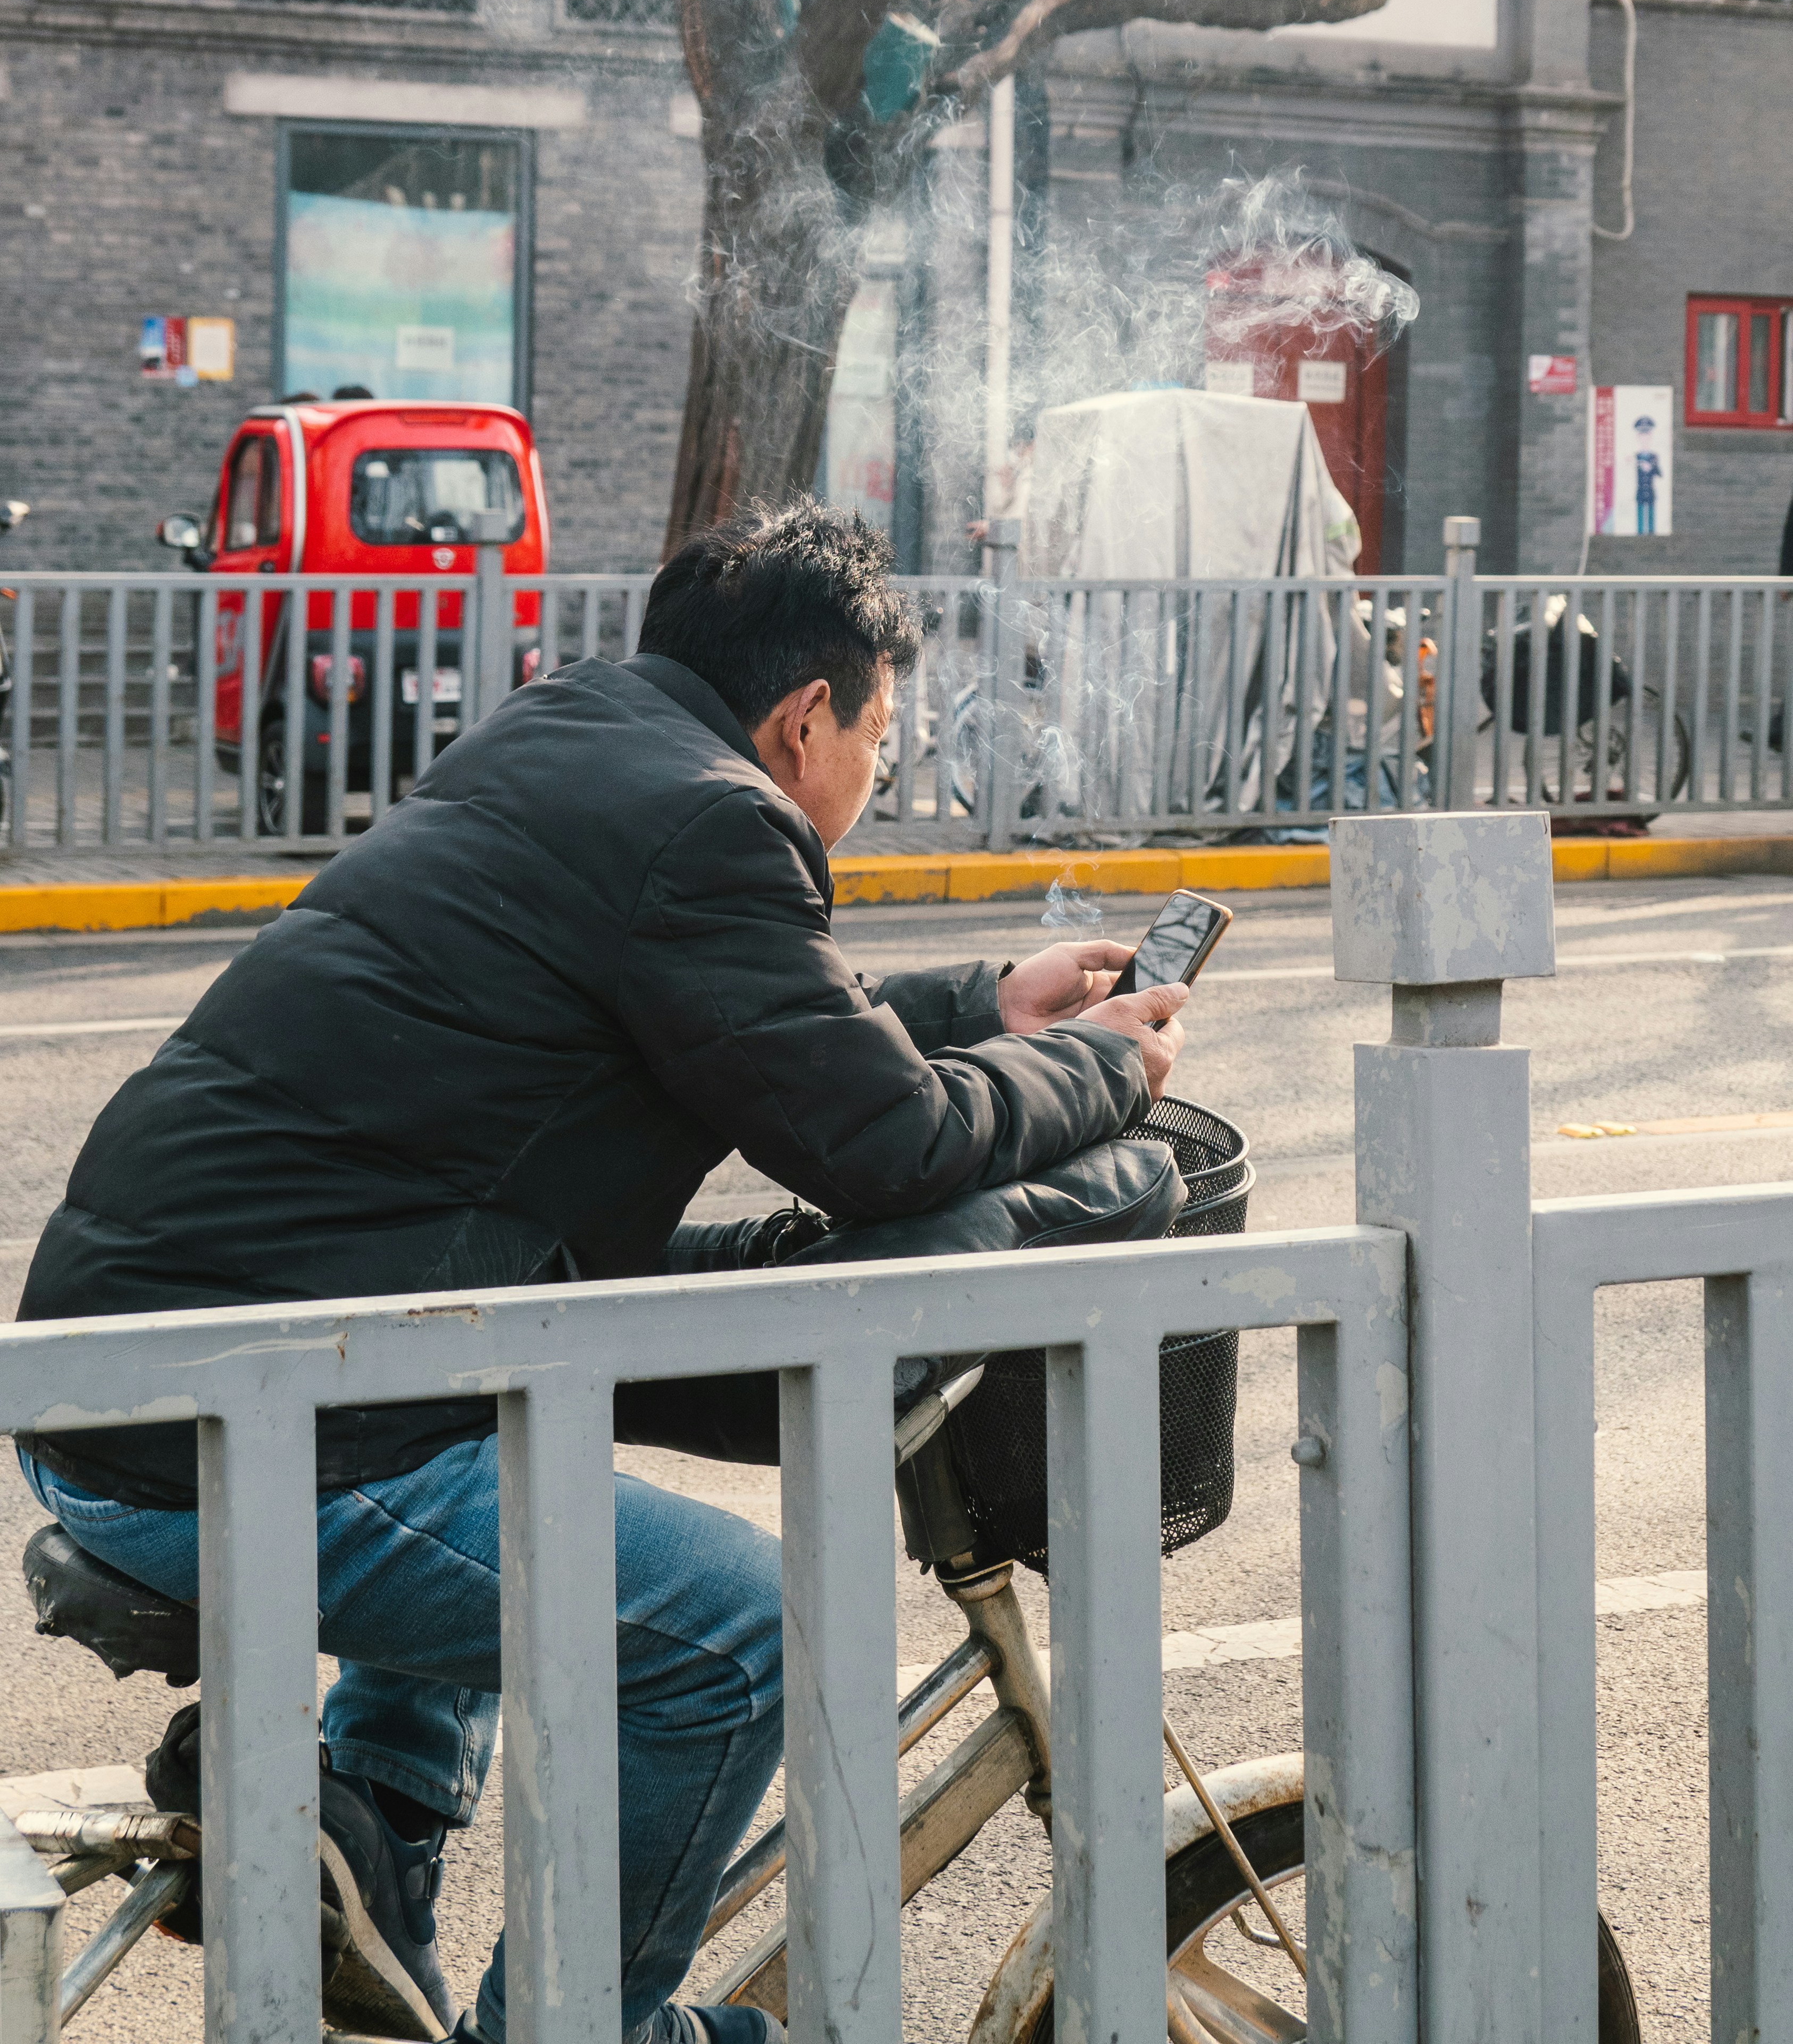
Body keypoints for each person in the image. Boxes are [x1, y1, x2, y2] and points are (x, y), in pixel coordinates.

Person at [14, 502, 1187, 2044]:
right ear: (806, 716)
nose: (878, 769)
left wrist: (985, 1002)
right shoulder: (714, 824)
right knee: (743, 1630)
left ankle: (376, 1833)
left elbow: (737, 1014)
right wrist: (1103, 1067)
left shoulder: (574, 738)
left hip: (146, 1365)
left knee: (517, 1416)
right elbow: (882, 1141)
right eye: (880, 735)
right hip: (241, 1427)